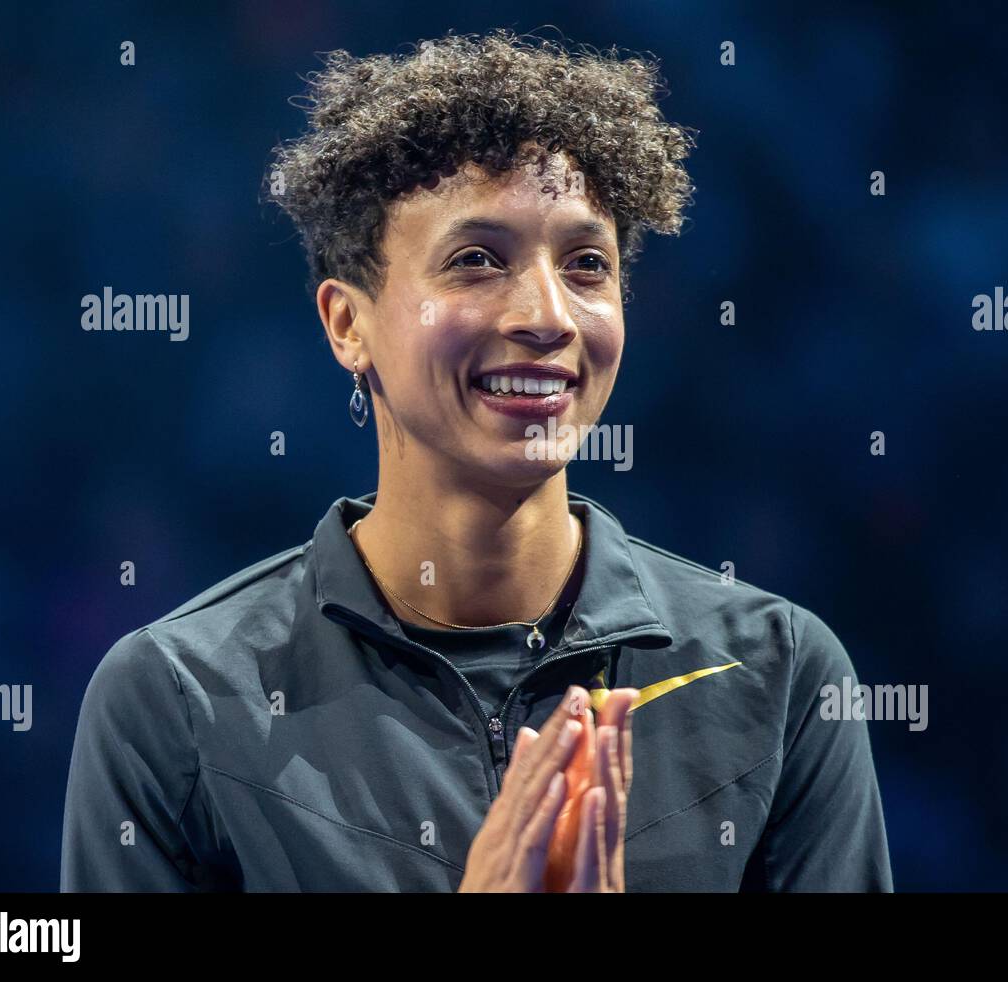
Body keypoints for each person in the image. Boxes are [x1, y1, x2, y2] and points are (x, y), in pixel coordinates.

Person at [60, 29, 893, 892]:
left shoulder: (779, 673)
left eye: (586, 265)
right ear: (348, 323)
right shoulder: (177, 699)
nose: (547, 315)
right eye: (475, 261)